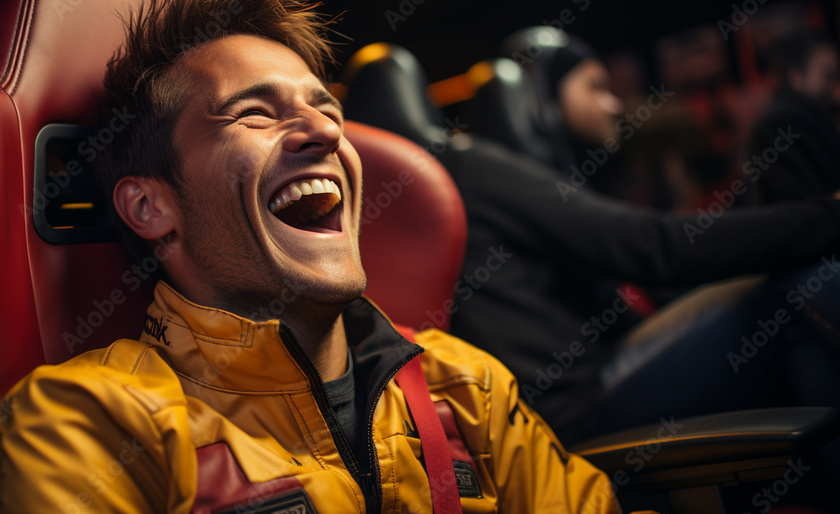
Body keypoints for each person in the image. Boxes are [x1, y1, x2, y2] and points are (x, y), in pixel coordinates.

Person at [0, 2, 701, 514]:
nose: (326, 133)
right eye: (255, 113)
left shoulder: (463, 386)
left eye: (327, 109)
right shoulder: (79, 427)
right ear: (151, 206)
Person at [342, 31, 840, 446]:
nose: (615, 103)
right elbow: (654, 248)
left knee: (791, 282)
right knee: (812, 284)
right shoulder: (469, 166)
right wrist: (826, 217)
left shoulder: (465, 174)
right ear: (544, 94)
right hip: (582, 408)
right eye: (596, 85)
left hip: (570, 400)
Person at [749, 31, 840, 204]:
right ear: (796, 77)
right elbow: (808, 205)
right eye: (828, 76)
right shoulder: (780, 125)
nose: (837, 88)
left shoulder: (813, 119)